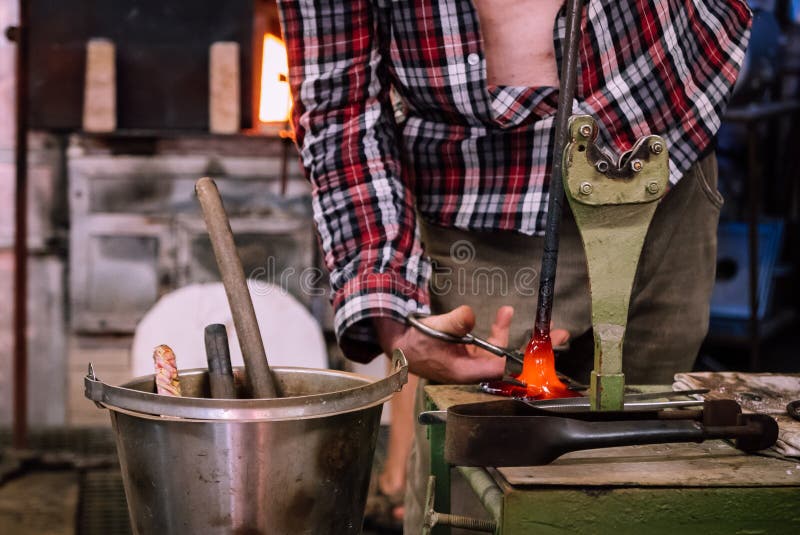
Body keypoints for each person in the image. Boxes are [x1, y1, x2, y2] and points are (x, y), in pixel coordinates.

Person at [276, 1, 752, 531]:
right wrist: (391, 316)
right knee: (481, 495)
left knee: (655, 481)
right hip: (487, 208)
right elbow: (341, 109)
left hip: (666, 144)